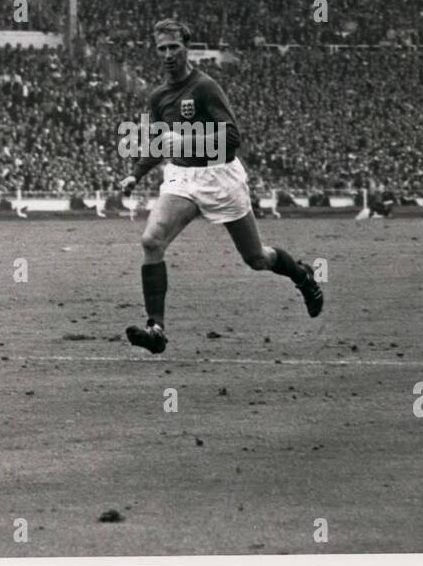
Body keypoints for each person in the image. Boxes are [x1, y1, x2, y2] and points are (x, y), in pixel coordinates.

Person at [118, 19, 324, 355]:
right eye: (162, 49)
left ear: (187, 47)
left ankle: (302, 277)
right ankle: (156, 328)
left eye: (174, 47)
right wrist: (135, 175)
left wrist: (184, 140)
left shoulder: (205, 88)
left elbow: (231, 139)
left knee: (257, 258)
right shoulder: (158, 97)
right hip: (183, 179)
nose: (168, 54)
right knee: (151, 241)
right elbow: (158, 142)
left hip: (220, 178)